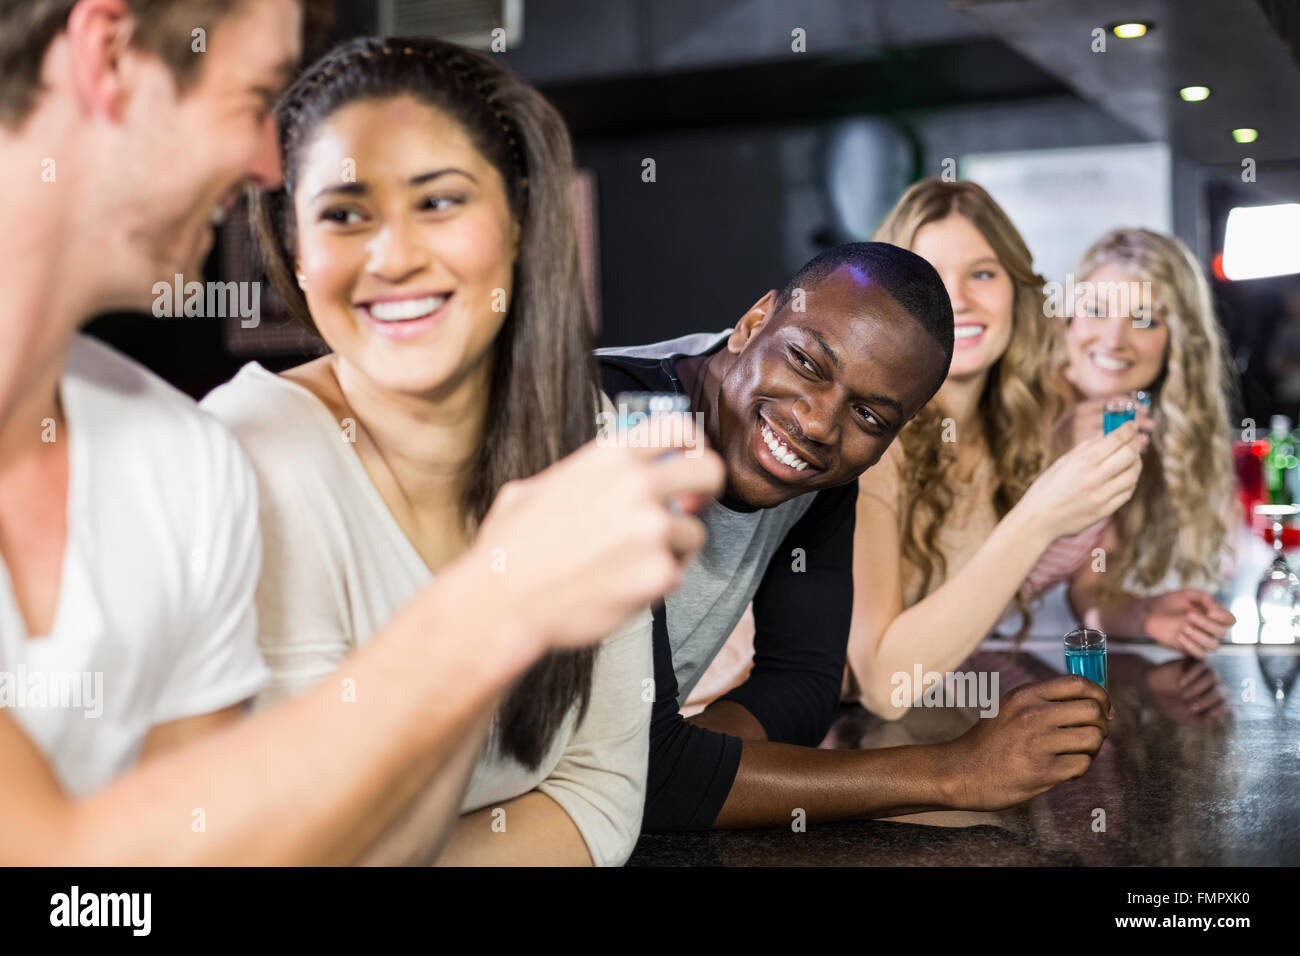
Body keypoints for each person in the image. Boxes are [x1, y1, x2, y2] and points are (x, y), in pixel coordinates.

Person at [0, 0, 720, 864]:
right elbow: (57, 863)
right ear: (107, 52)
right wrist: (490, 607)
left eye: (441, 202)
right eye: (256, 93)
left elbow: (225, 851)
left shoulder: (178, 460)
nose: (271, 161)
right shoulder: (243, 444)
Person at [202, 35, 669, 866]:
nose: (395, 257)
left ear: (520, 215)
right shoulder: (253, 456)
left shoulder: (583, 431)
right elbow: (314, 848)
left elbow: (603, 793)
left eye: (439, 202)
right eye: (345, 214)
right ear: (294, 247)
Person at [598, 240, 1117, 832]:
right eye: (806, 363)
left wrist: (685, 764)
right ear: (751, 324)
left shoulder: (824, 471)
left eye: (870, 416)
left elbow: (803, 685)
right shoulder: (609, 420)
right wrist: (954, 772)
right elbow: (644, 778)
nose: (819, 423)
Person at [1052, 228, 1237, 657]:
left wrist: (1146, 616)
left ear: (1177, 343)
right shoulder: (1018, 401)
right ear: (1068, 317)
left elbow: (1090, 591)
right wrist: (1055, 446)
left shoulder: (1131, 435)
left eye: (1145, 320)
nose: (1114, 339)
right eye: (1096, 310)